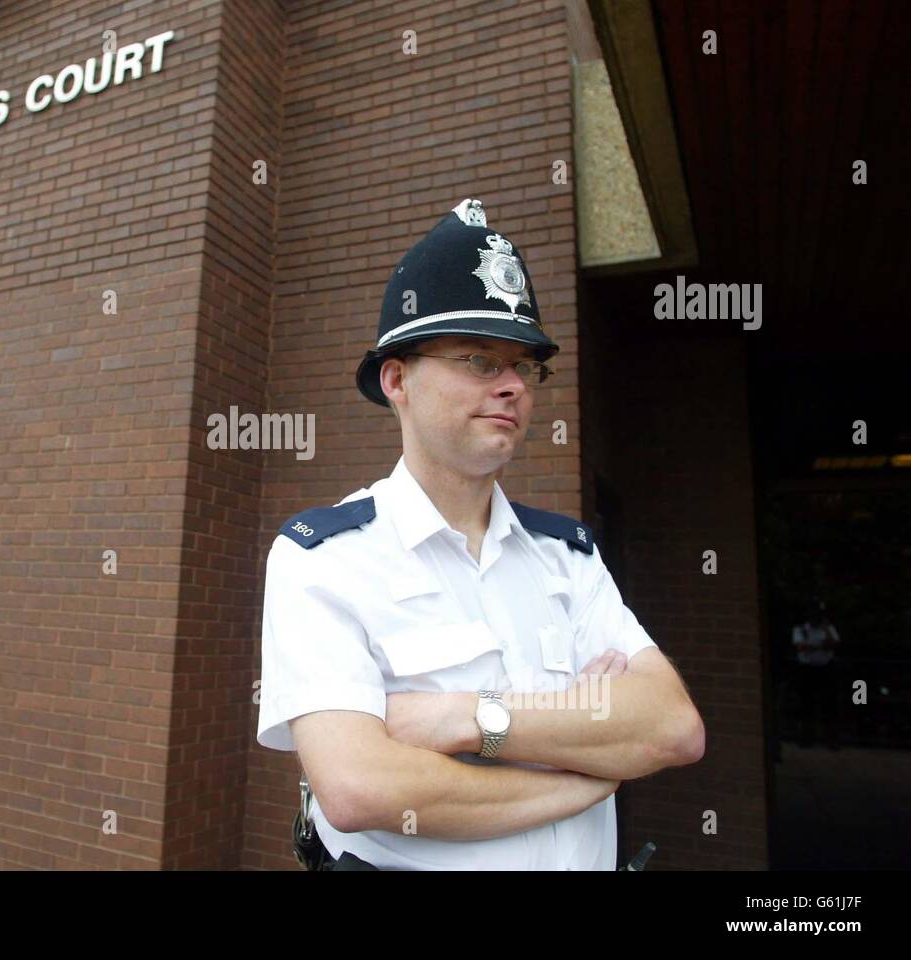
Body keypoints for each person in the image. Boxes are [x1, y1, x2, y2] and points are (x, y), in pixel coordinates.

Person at [256, 198, 705, 870]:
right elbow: (358, 788)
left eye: (524, 366)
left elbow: (673, 728)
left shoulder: (566, 556)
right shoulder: (324, 557)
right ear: (397, 379)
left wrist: (462, 719)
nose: (513, 387)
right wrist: (588, 771)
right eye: (478, 360)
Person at [791, 600, 841, 748]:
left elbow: (835, 643)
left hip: (825, 669)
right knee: (807, 705)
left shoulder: (828, 628)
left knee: (829, 706)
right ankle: (806, 739)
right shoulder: (801, 629)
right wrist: (822, 646)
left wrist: (824, 635)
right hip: (807, 670)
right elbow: (800, 647)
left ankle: (831, 740)